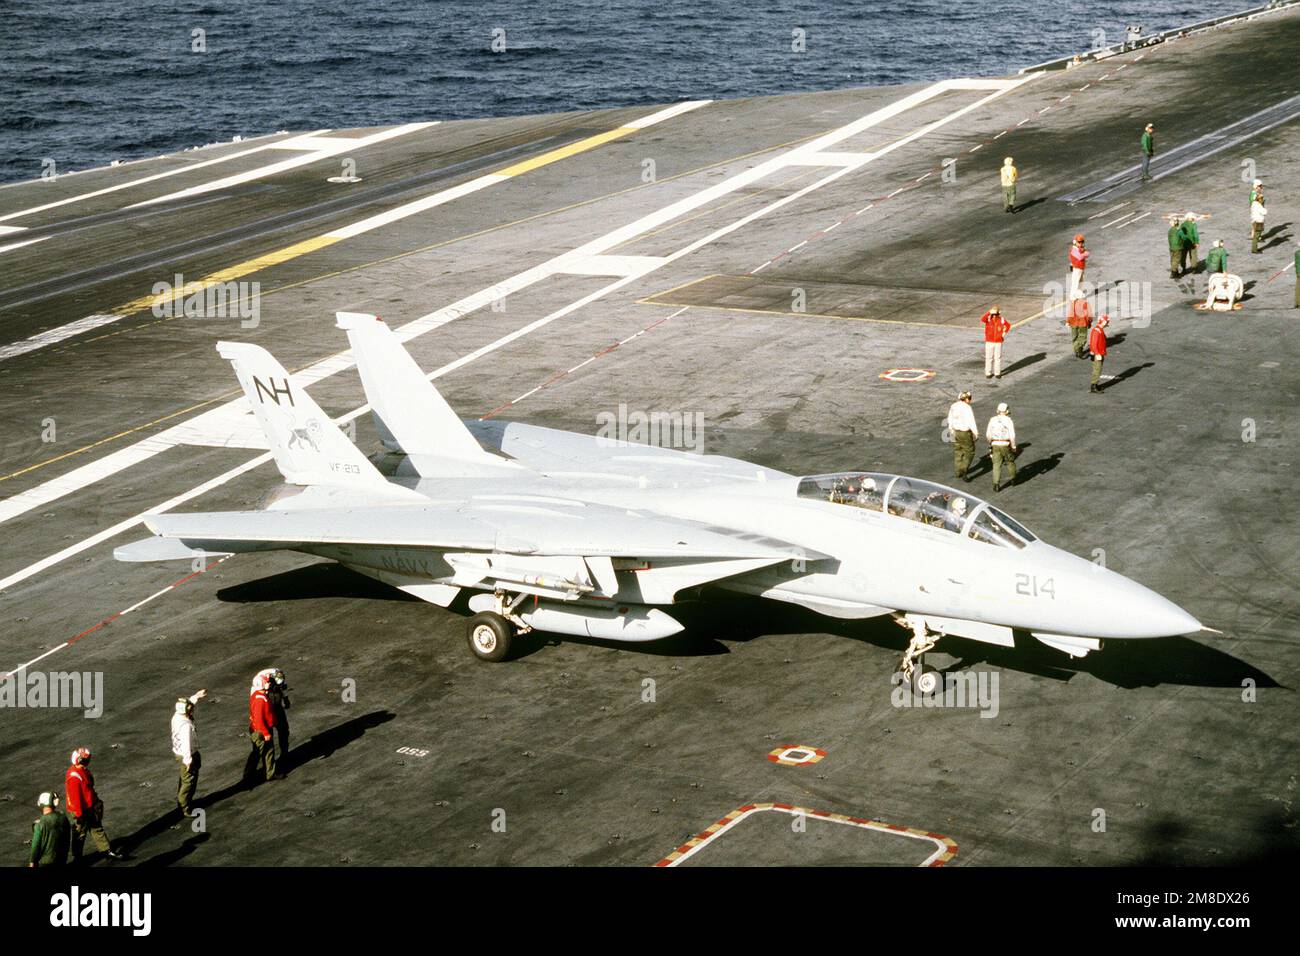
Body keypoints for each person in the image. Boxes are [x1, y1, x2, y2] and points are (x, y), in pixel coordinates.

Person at [65, 747, 123, 861]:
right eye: (86, 759)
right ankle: (77, 858)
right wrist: (79, 814)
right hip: (80, 809)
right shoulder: (74, 777)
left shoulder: (83, 770)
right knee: (79, 834)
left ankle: (106, 850)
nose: (88, 761)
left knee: (97, 829)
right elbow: (75, 798)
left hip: (90, 806)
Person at [171, 689, 207, 816]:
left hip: (179, 753)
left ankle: (183, 802)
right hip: (187, 754)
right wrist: (188, 760)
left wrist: (196, 696)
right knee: (189, 781)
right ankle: (184, 807)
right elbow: (186, 743)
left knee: (184, 778)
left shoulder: (177, 716)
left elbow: (187, 705)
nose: (192, 710)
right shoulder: (185, 725)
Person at [244, 672, 279, 785]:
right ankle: (248, 776)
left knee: (269, 752)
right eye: (266, 682)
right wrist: (265, 733)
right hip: (261, 731)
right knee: (257, 753)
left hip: (262, 729)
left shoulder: (259, 695)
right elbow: (259, 719)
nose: (268, 683)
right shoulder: (260, 699)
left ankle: (270, 773)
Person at [29, 792, 70, 868]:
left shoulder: (39, 825)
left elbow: (36, 846)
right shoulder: (63, 817)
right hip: (62, 858)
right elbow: (67, 838)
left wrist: (32, 861)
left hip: (45, 861)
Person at [985, 403, 1018, 493]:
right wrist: (1013, 446)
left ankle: (996, 484)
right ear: (1007, 411)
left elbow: (988, 434)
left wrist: (990, 443)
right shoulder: (1009, 420)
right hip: (1005, 444)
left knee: (996, 464)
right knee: (1010, 461)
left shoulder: (992, 420)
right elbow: (1012, 435)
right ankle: (1013, 479)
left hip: (995, 443)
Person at [947, 391, 978, 482]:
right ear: (967, 399)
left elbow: (950, 419)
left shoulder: (954, 406)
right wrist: (975, 433)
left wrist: (951, 430)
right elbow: (971, 421)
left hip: (956, 431)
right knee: (970, 452)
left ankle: (958, 472)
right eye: (970, 398)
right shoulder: (967, 408)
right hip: (965, 433)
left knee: (958, 451)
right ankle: (964, 469)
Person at [981, 305, 1010, 379]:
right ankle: (988, 372)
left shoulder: (1001, 319)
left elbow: (1008, 326)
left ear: (998, 313)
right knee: (989, 357)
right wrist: (989, 313)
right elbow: (982, 319)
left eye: (995, 314)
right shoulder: (988, 318)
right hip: (989, 341)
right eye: (993, 314)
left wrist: (1003, 335)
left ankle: (997, 373)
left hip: (998, 341)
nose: (994, 315)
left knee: (998, 358)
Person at [1066, 291, 1092, 359]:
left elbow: (1070, 313)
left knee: (1075, 337)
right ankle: (1078, 349)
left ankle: (1077, 351)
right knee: (1082, 337)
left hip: (1073, 323)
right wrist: (1089, 323)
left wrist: (1068, 322)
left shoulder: (1073, 303)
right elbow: (1089, 315)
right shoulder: (1085, 303)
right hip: (1083, 323)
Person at [1089, 313, 1110, 394]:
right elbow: (1093, 344)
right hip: (1097, 354)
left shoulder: (1099, 330)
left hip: (1099, 353)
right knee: (1097, 370)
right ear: (1104, 322)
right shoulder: (1097, 331)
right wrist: (1097, 354)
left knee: (1098, 369)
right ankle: (1093, 386)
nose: (1107, 323)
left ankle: (1095, 384)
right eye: (1107, 322)